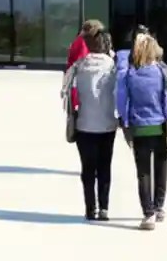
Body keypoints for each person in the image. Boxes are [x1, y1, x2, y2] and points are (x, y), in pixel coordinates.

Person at [116, 32, 167, 230]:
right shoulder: (161, 71)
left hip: (139, 127)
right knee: (161, 167)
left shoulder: (130, 74)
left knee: (143, 173)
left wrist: (124, 121)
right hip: (160, 127)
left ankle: (147, 213)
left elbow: (122, 100)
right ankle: (159, 207)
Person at [61, 30, 118, 221]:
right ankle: (104, 208)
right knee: (105, 167)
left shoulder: (79, 66)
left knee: (87, 169)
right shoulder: (112, 66)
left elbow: (65, 90)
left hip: (84, 123)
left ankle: (90, 208)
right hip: (107, 124)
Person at [66, 20, 103, 110]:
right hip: (79, 92)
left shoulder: (78, 41)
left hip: (76, 88)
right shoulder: (82, 43)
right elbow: (83, 65)